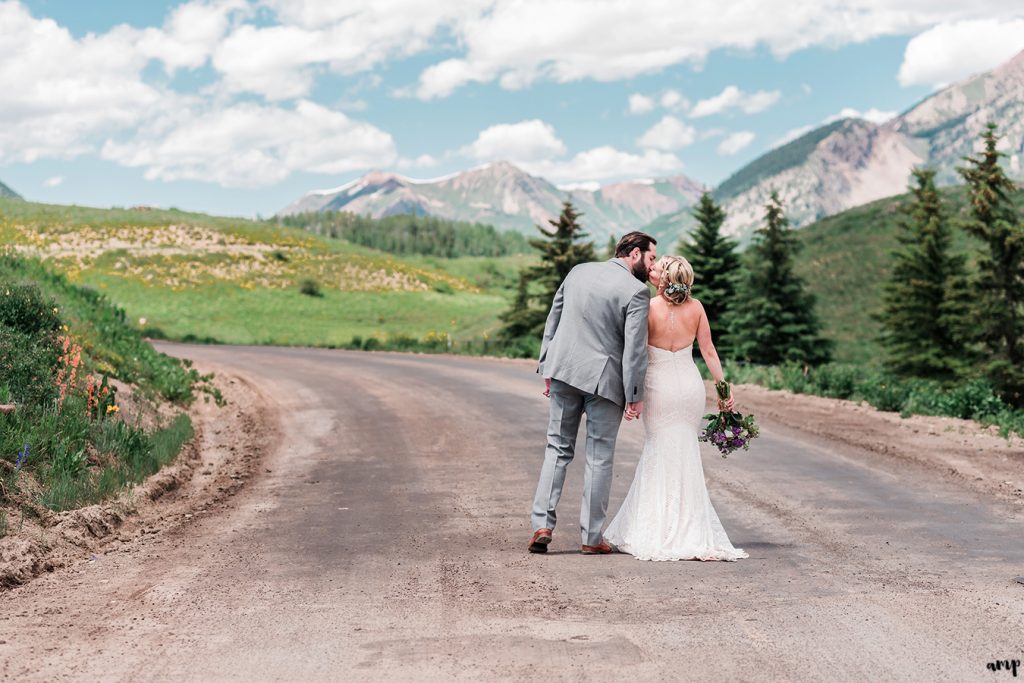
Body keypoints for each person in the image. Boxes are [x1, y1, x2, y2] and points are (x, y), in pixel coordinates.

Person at [604, 255, 748, 561]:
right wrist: (724, 391)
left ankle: (658, 527)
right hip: (689, 389)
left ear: (663, 280)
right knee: (685, 451)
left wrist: (632, 395)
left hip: (659, 388)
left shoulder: (648, 307)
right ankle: (689, 527)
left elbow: (637, 355)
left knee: (659, 449)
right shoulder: (696, 309)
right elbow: (708, 351)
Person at [529, 231, 657, 554]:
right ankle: (591, 538)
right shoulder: (637, 292)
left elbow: (553, 318)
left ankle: (542, 524)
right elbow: (634, 352)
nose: (652, 266)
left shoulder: (577, 271)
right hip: (603, 383)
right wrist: (635, 394)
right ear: (635, 254)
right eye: (651, 257)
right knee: (599, 457)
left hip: (563, 371)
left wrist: (547, 365)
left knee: (556, 448)